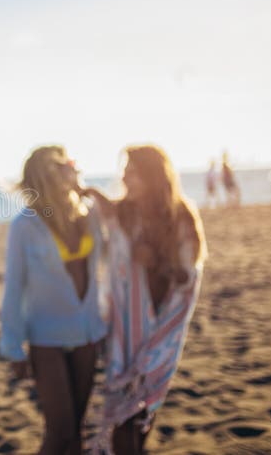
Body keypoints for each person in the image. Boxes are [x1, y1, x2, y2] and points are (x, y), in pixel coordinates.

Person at [84, 145, 207, 454]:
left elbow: (189, 275)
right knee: (125, 419)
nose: (125, 177)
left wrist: (157, 263)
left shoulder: (181, 217)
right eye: (124, 171)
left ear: (152, 176)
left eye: (132, 172)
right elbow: (104, 213)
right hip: (126, 331)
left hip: (163, 331)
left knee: (142, 414)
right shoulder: (124, 213)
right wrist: (89, 192)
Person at [0, 146, 108, 455]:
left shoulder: (89, 213)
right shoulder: (25, 225)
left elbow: (120, 247)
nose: (73, 167)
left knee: (76, 433)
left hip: (87, 331)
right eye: (65, 164)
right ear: (49, 174)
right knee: (60, 431)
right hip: (46, 337)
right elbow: (14, 287)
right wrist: (13, 346)